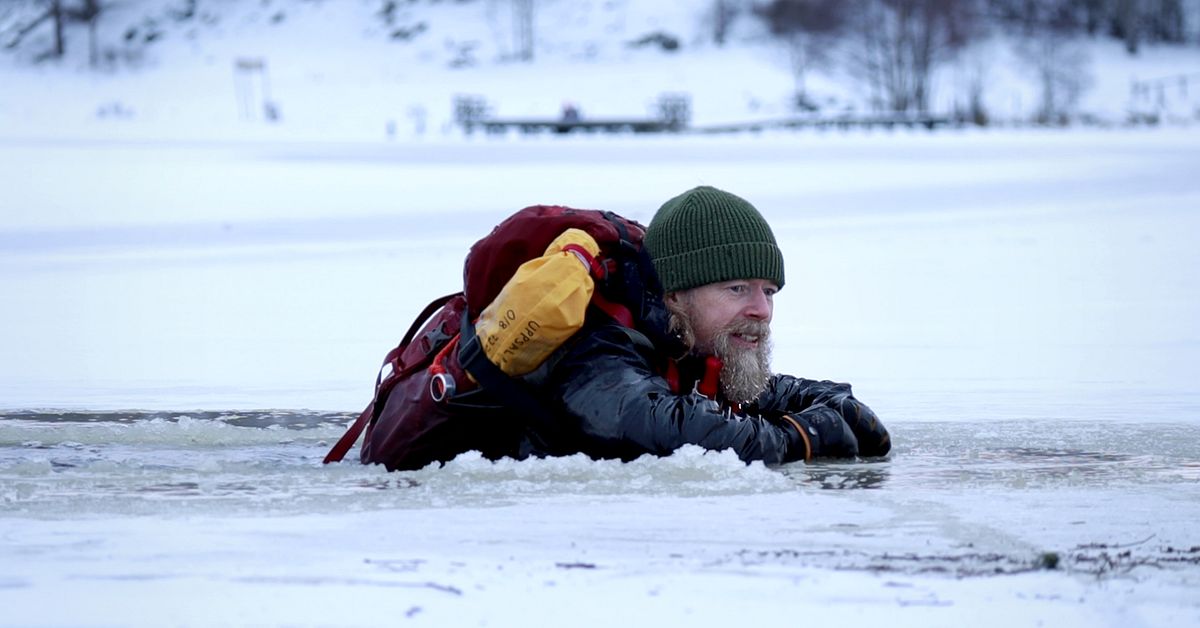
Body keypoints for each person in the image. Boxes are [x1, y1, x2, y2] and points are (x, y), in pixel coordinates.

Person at [523, 185, 890, 464]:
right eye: (737, 288)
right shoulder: (600, 346)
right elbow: (647, 425)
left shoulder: (688, 348)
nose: (761, 310)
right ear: (674, 295)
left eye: (768, 291)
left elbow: (761, 393)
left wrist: (835, 404)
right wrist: (793, 439)